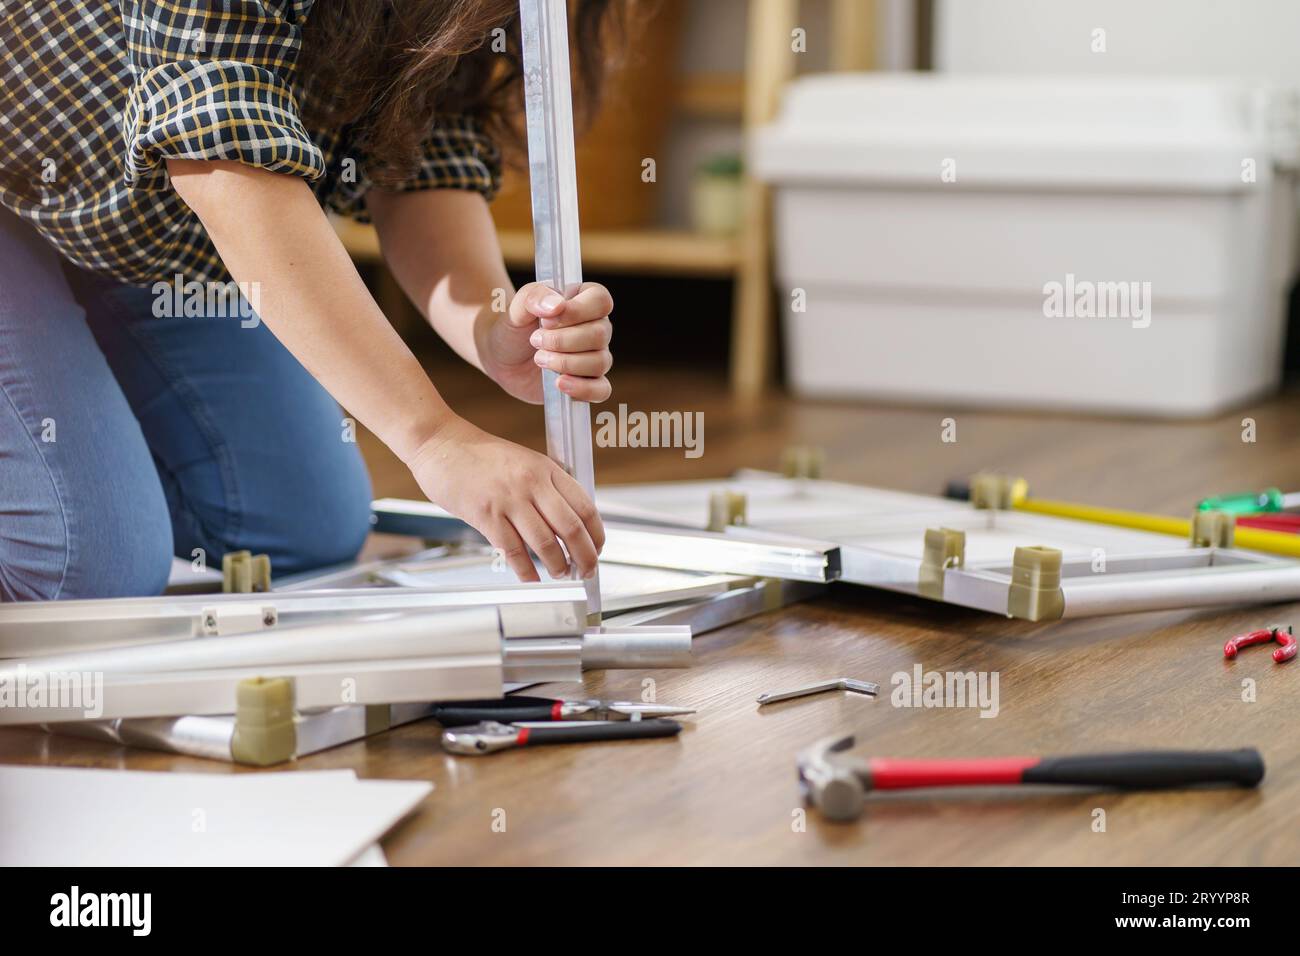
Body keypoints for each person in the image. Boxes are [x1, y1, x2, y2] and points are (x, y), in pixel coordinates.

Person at [0, 0, 621, 601]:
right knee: (79, 567)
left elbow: (424, 159)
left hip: (125, 230)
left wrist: (493, 332)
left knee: (299, 527)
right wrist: (435, 440)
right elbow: (218, 156)